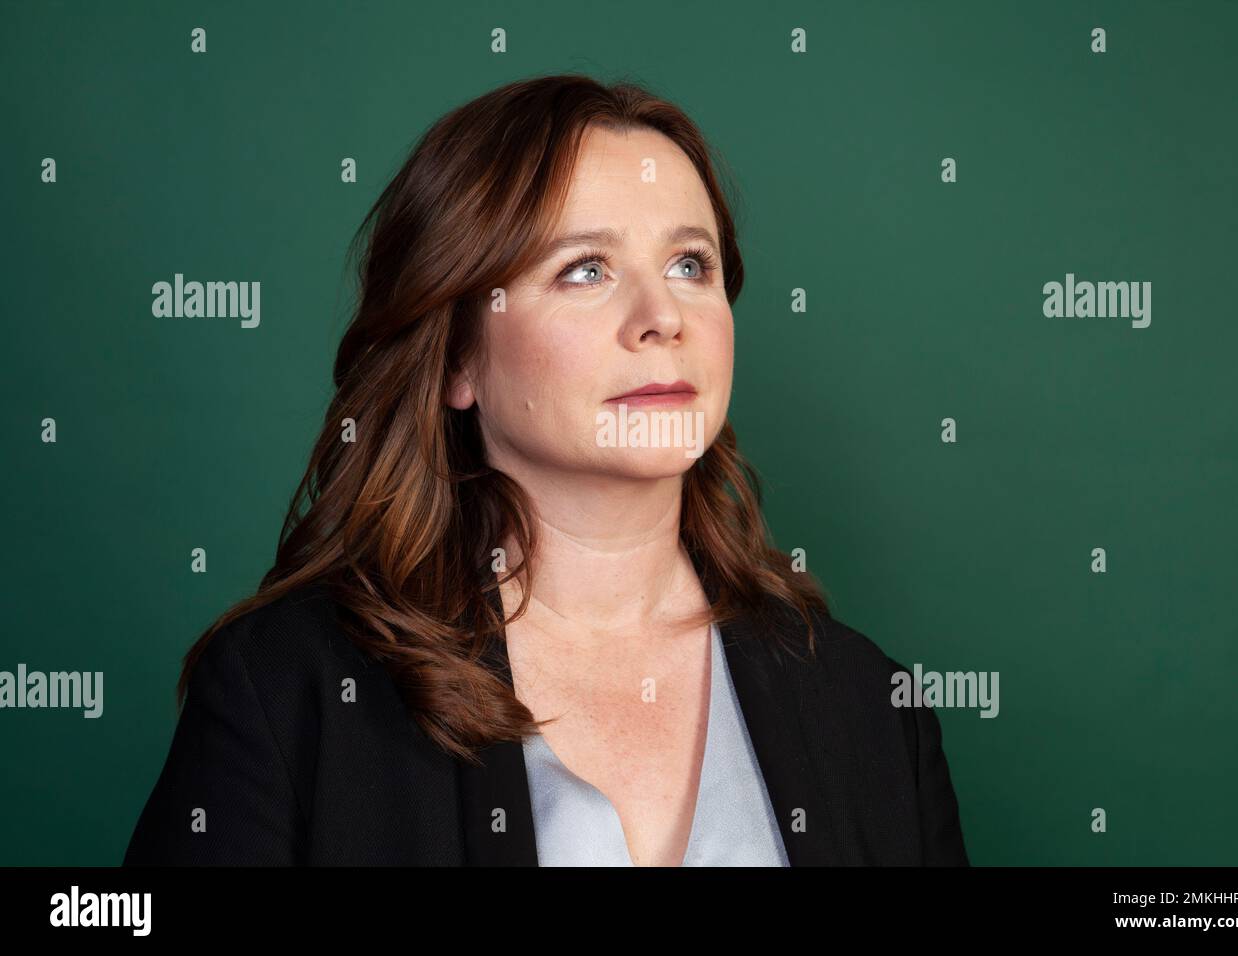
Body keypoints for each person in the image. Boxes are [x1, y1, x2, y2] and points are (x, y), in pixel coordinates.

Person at [122, 73, 970, 867]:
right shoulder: (287, 691)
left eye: (690, 265)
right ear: (458, 358)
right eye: (586, 270)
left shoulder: (872, 707)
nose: (661, 317)